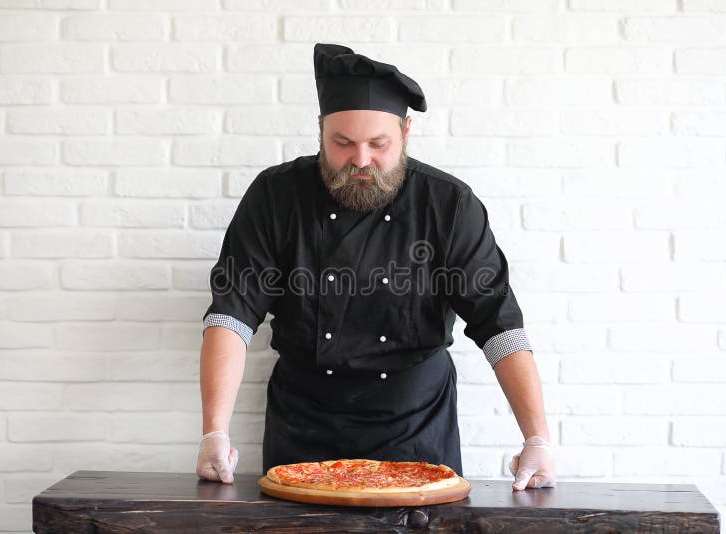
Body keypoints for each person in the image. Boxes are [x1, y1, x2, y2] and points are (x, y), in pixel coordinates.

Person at [196, 43, 556, 492]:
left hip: (417, 428)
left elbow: (499, 323)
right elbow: (232, 315)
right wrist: (215, 431)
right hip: (304, 426)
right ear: (321, 131)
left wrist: (536, 437)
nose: (360, 160)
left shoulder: (448, 206)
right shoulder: (276, 197)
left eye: (378, 144)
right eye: (342, 143)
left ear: (406, 131)